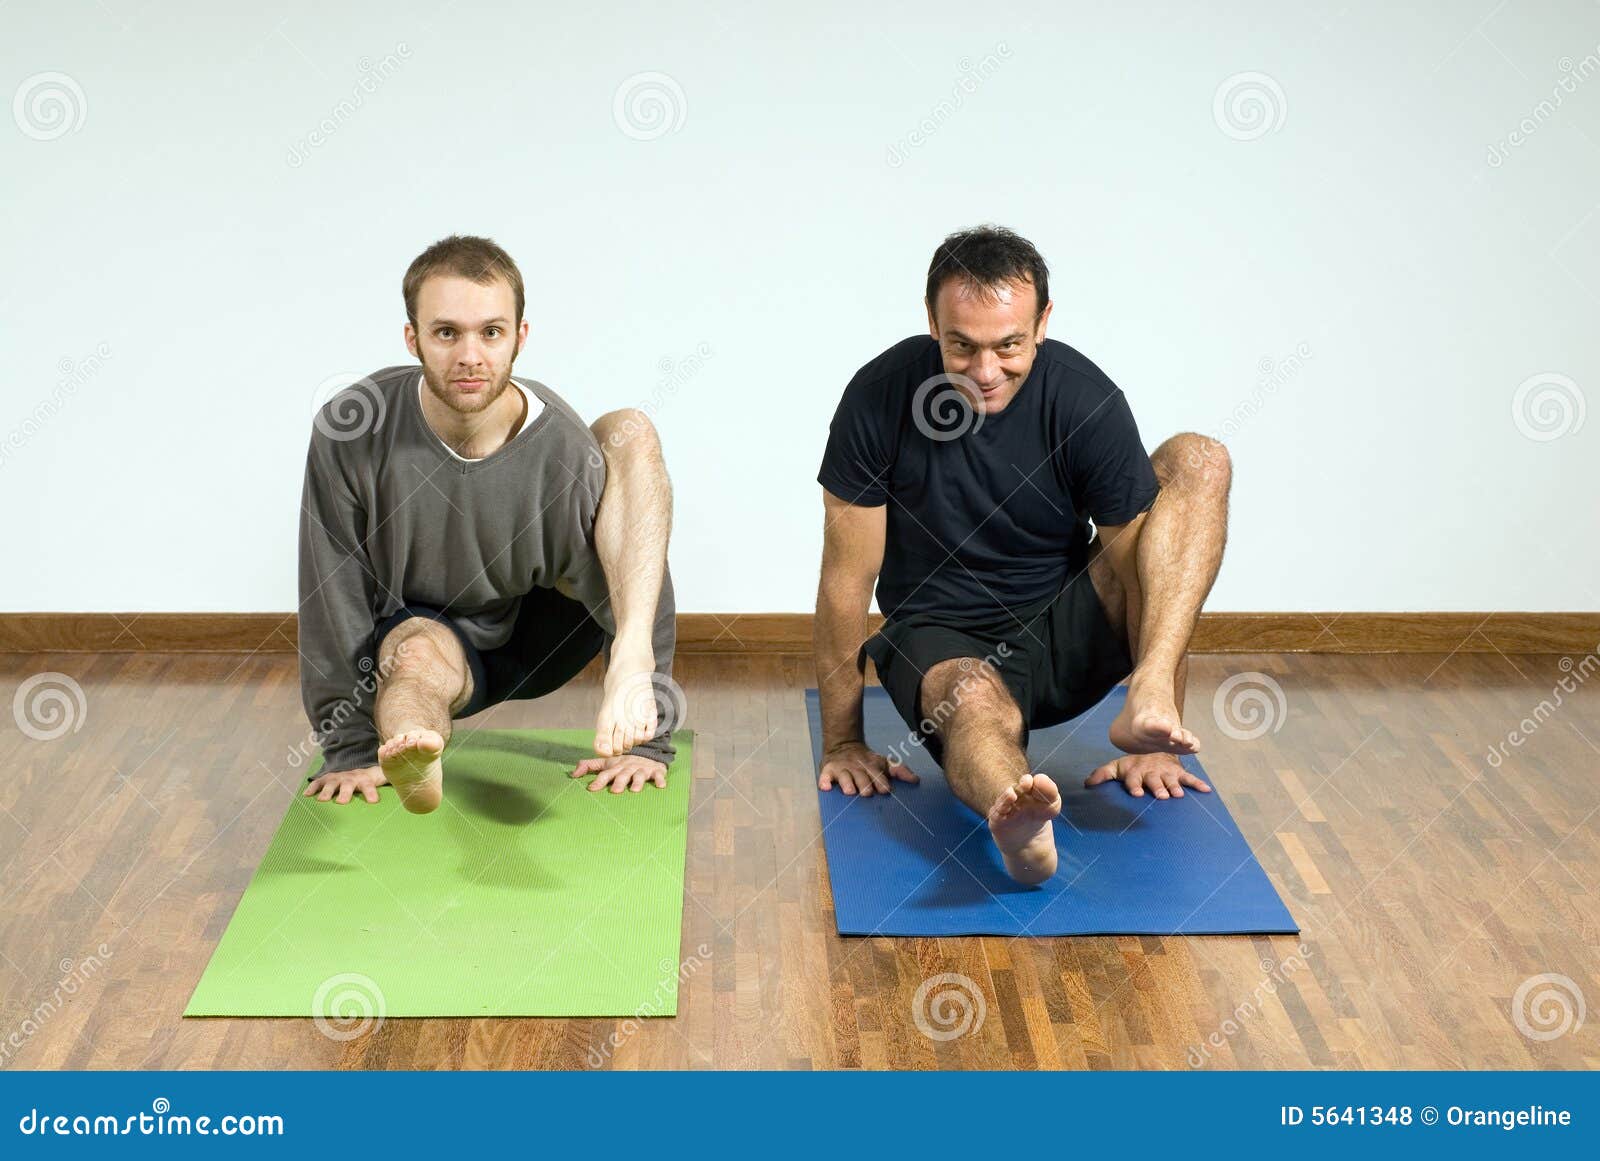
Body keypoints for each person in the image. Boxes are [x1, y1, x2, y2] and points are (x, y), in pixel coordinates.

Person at [813, 225, 1231, 884]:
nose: (986, 371)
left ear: (1042, 322)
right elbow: (845, 580)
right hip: (940, 635)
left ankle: (1149, 700)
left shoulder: (1084, 398)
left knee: (1199, 460)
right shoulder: (880, 397)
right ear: (933, 323)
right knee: (972, 698)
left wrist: (1157, 723)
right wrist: (843, 741)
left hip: (1064, 623)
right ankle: (1017, 815)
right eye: (962, 346)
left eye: (1009, 345)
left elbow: (1144, 566)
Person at [297, 234, 677, 812]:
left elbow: (637, 574)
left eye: (490, 332)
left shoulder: (562, 452)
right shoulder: (354, 432)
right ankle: (414, 753)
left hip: (551, 628)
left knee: (632, 431)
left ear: (520, 338)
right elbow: (332, 591)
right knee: (414, 664)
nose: (470, 355)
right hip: (434, 634)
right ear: (413, 338)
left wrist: (648, 739)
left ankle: (632, 665)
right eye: (447, 332)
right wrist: (349, 749)